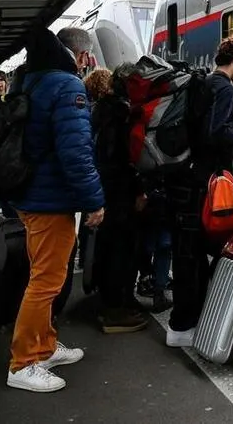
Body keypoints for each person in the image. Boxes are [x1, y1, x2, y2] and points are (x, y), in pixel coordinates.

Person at [6, 26, 106, 393]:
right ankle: (23, 363)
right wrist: (93, 200)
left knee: (44, 276)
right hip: (50, 200)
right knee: (47, 280)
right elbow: (76, 152)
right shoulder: (67, 86)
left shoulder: (31, 80)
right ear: (81, 56)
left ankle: (43, 346)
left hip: (31, 194)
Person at [165, 33, 233, 348]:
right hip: (205, 185)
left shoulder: (203, 83)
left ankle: (183, 323)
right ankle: (185, 325)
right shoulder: (224, 88)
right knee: (198, 257)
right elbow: (215, 132)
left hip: (186, 181)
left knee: (188, 256)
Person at [89, 64, 154, 333]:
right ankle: (116, 311)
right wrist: (140, 189)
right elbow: (128, 157)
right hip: (121, 188)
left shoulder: (101, 108)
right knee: (122, 247)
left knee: (109, 244)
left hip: (104, 185)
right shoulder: (123, 112)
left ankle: (111, 300)